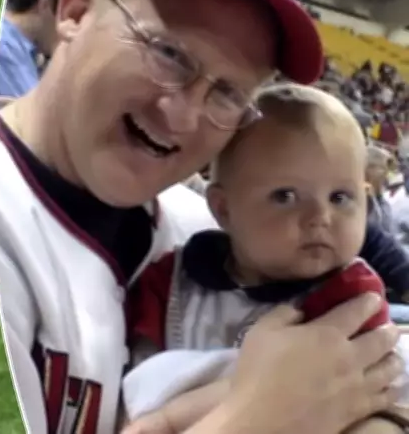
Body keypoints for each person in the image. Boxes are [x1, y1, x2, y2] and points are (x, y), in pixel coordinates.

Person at [0, 0, 401, 434]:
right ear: (74, 12)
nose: (181, 114)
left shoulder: (206, 233)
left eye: (228, 92)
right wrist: (252, 417)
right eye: (168, 53)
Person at [122, 83, 409, 434]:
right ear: (224, 209)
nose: (320, 216)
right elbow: (140, 388)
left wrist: (173, 416)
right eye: (285, 196)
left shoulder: (351, 295)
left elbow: (361, 395)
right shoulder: (169, 281)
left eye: (340, 197)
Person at [0, 0, 78, 98]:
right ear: (46, 5)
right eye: (70, 17)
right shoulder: (4, 50)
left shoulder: (22, 52)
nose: (69, 32)